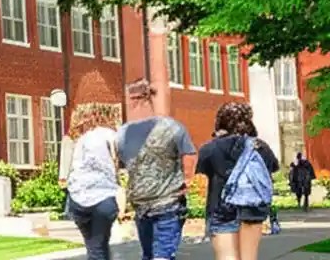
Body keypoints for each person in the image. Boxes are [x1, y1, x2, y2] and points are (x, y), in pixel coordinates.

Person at [117, 79, 196, 260]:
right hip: (168, 201)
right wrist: (186, 181)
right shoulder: (172, 127)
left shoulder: (123, 133)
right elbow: (189, 155)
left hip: (142, 203)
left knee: (150, 254)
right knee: (161, 254)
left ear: (134, 100)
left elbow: (119, 162)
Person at [196, 103, 279, 260]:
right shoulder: (261, 147)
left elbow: (201, 173)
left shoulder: (210, 149)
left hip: (221, 206)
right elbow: (272, 169)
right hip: (252, 208)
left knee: (227, 257)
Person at [61, 103, 124, 260]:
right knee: (98, 246)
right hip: (104, 197)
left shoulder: (79, 138)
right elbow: (121, 160)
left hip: (77, 198)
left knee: (94, 246)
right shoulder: (110, 134)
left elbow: (67, 168)